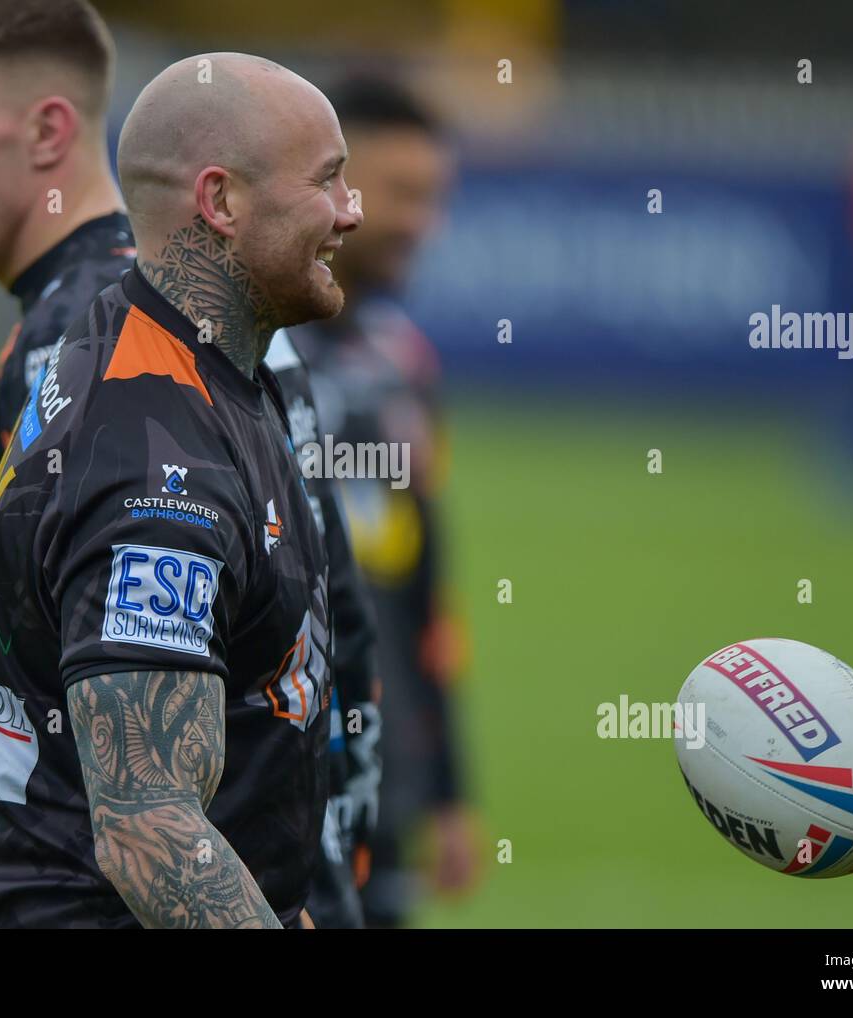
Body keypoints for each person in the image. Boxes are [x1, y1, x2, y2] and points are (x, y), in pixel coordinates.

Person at [0, 0, 373, 928]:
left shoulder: (150, 336)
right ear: (219, 200)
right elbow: (126, 802)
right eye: (329, 180)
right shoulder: (150, 395)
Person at [287, 76, 476, 926]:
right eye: (402, 195)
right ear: (335, 186)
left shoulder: (406, 363)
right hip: (261, 782)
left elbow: (422, 590)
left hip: (381, 778)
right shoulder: (244, 351)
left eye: (433, 198)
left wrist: (447, 788)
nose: (419, 222)